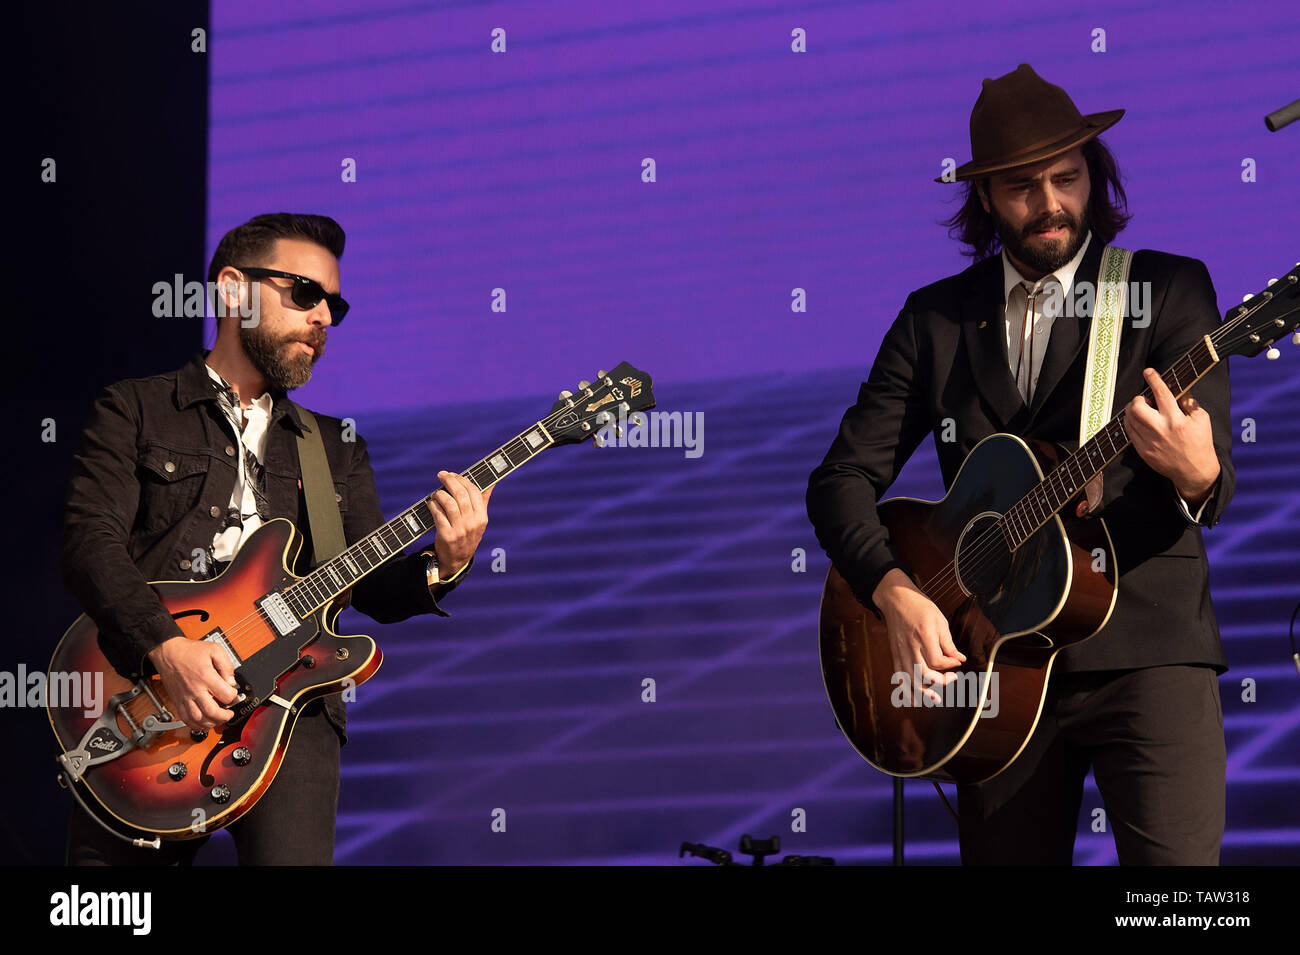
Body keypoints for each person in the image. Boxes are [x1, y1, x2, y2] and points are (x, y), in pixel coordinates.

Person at [806, 64, 1234, 865]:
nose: (1049, 205)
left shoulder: (1165, 288)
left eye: (1067, 178)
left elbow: (1214, 484)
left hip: (1146, 651)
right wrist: (895, 592)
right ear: (985, 199)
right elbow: (839, 482)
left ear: (1093, 176)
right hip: (993, 675)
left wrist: (1196, 473)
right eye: (1021, 187)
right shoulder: (933, 319)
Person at [61, 212, 491, 864]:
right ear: (233, 289)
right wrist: (167, 648)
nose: (323, 317)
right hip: (144, 703)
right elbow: (89, 543)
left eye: (334, 305)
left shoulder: (335, 447)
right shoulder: (135, 408)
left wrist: (444, 561)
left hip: (292, 719)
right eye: (304, 293)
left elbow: (372, 584)